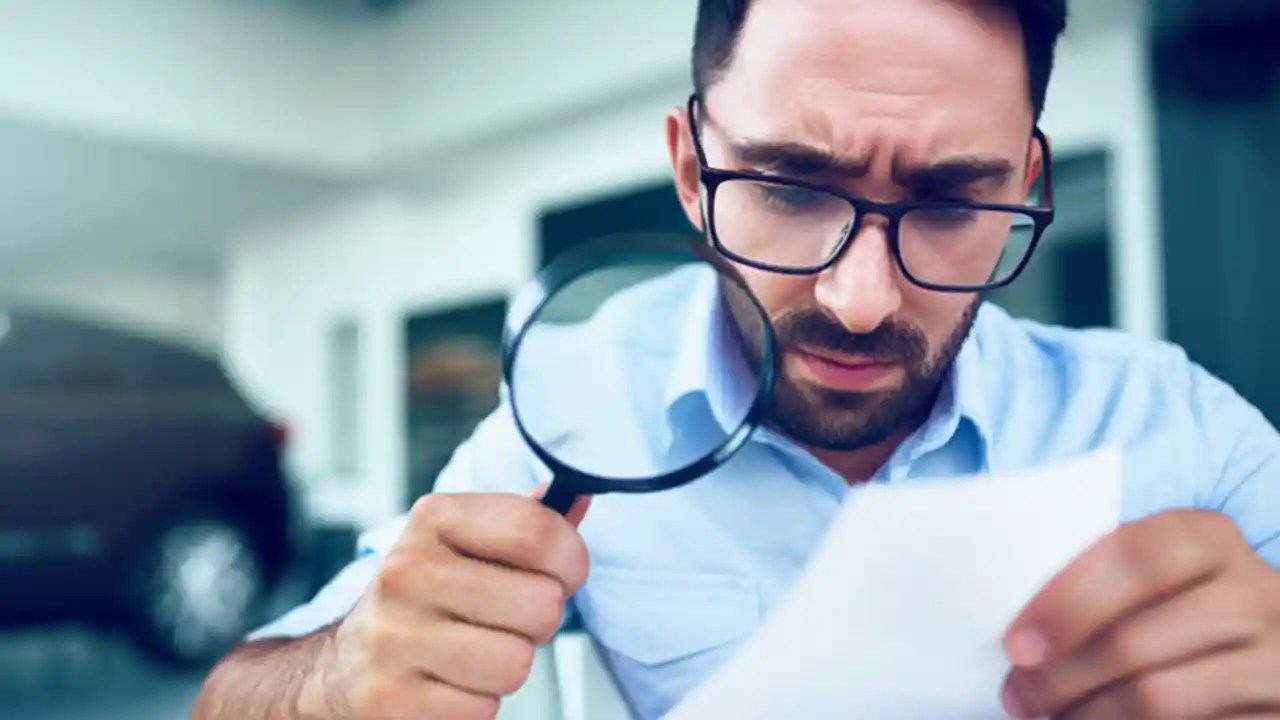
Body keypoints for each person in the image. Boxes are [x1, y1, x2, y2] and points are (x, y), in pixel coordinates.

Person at [192, 0, 1280, 717]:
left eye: (950, 201)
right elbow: (231, 698)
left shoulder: (1172, 422)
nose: (859, 303)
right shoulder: (577, 405)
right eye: (790, 189)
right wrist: (336, 676)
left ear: (1024, 185)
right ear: (687, 164)